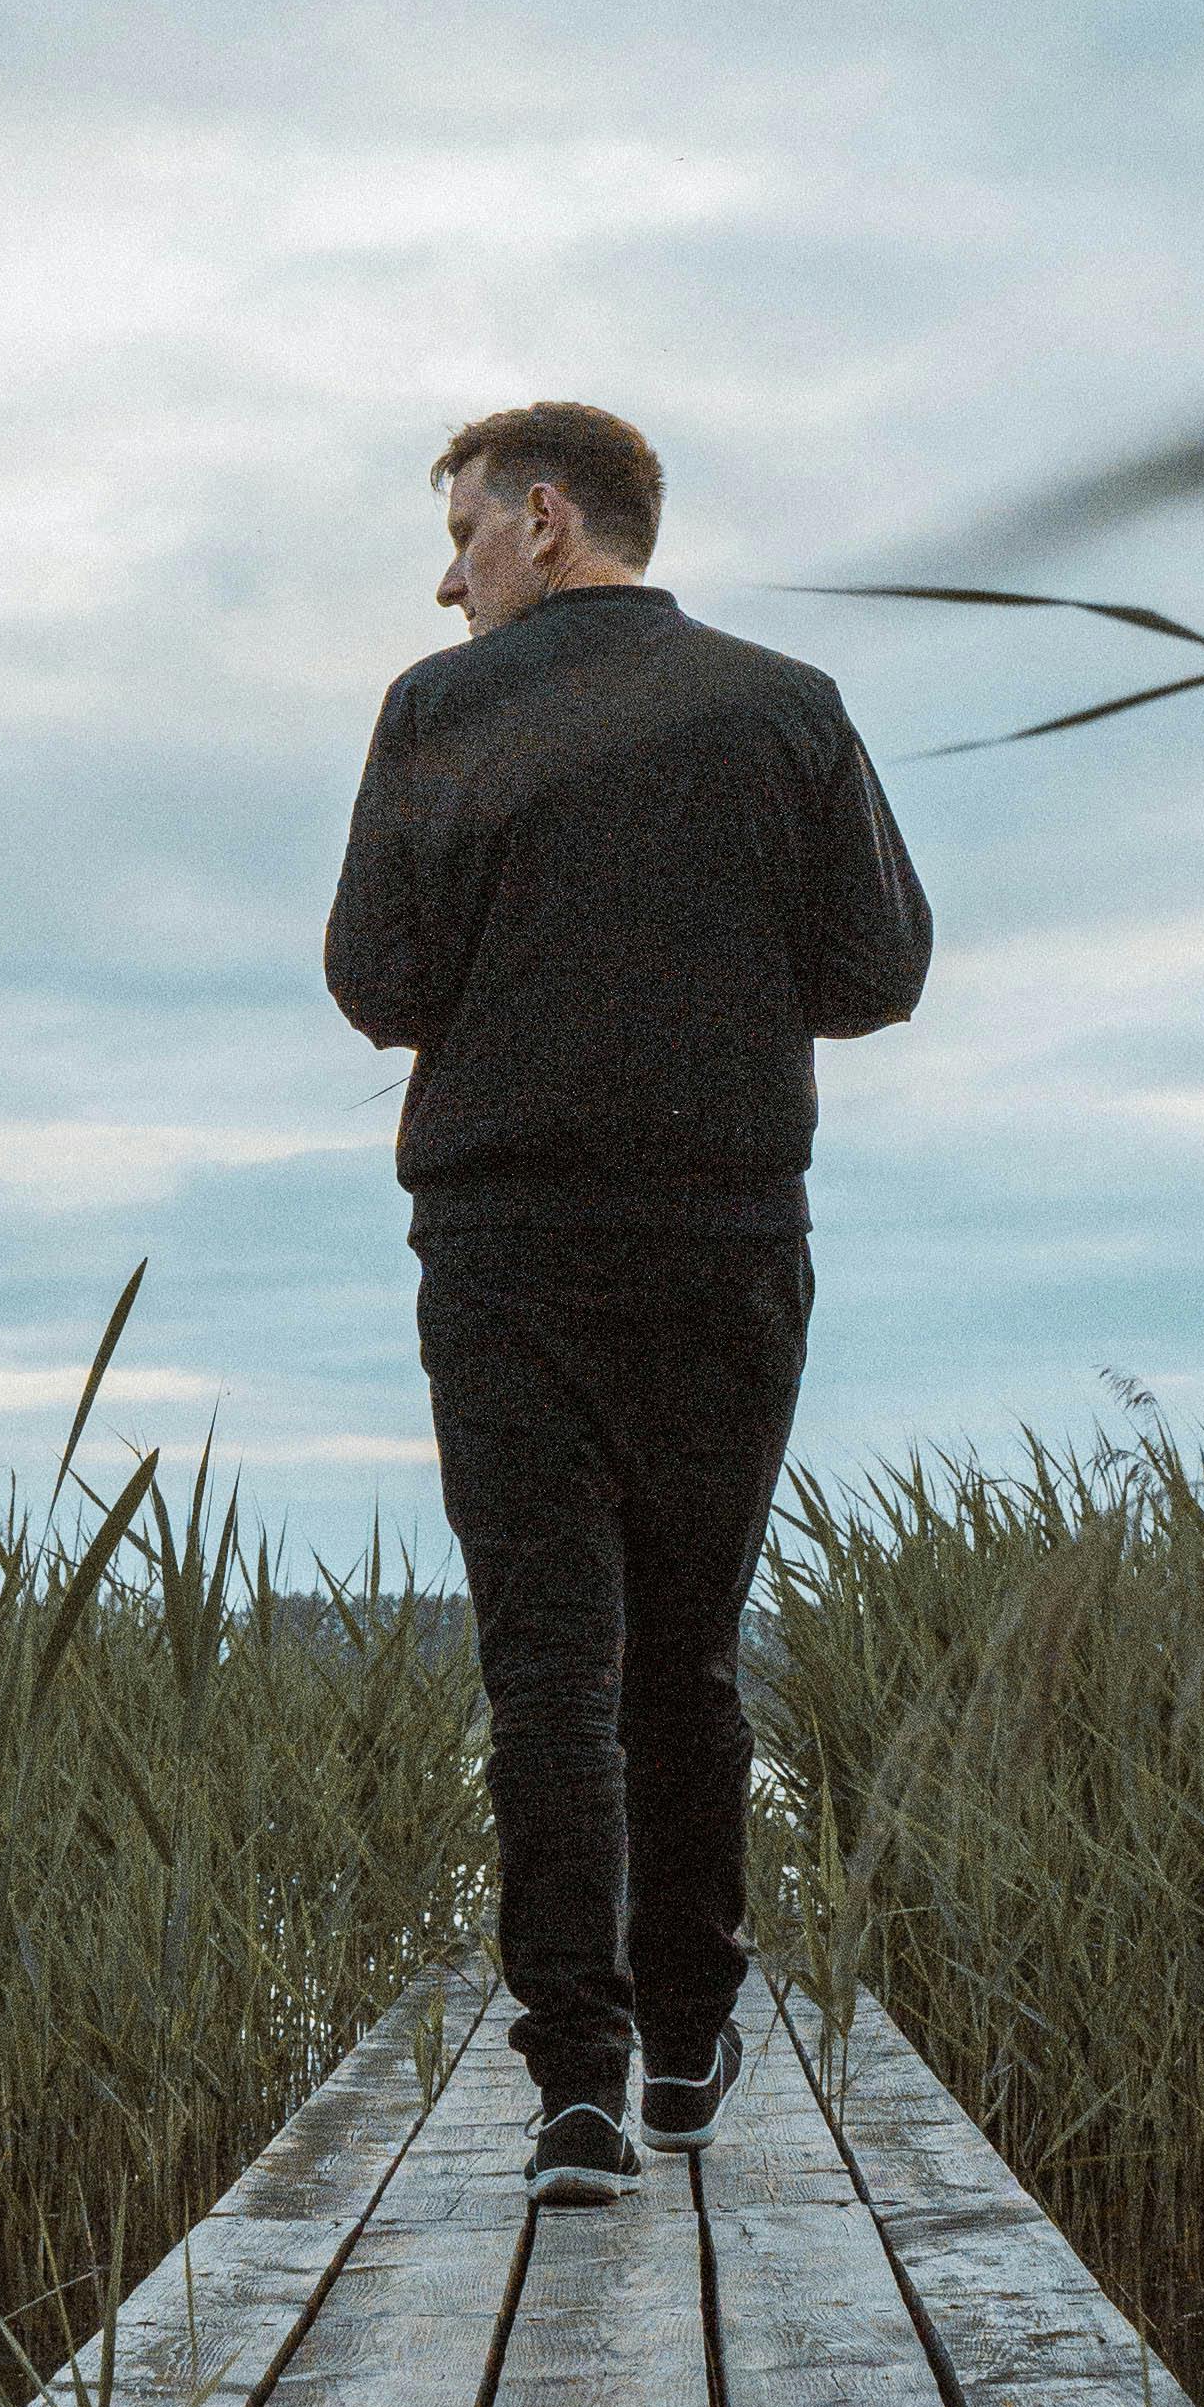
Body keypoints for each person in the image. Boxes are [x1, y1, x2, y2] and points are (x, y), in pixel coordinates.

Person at [324, 402, 934, 2204]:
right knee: (686, 1653)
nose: (446, 585)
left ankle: (574, 2091)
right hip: (726, 1239)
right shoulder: (789, 704)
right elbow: (876, 969)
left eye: (461, 538)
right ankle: (686, 2048)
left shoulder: (439, 714)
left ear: (545, 517)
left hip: (508, 1249)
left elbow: (375, 976)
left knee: (547, 1671)